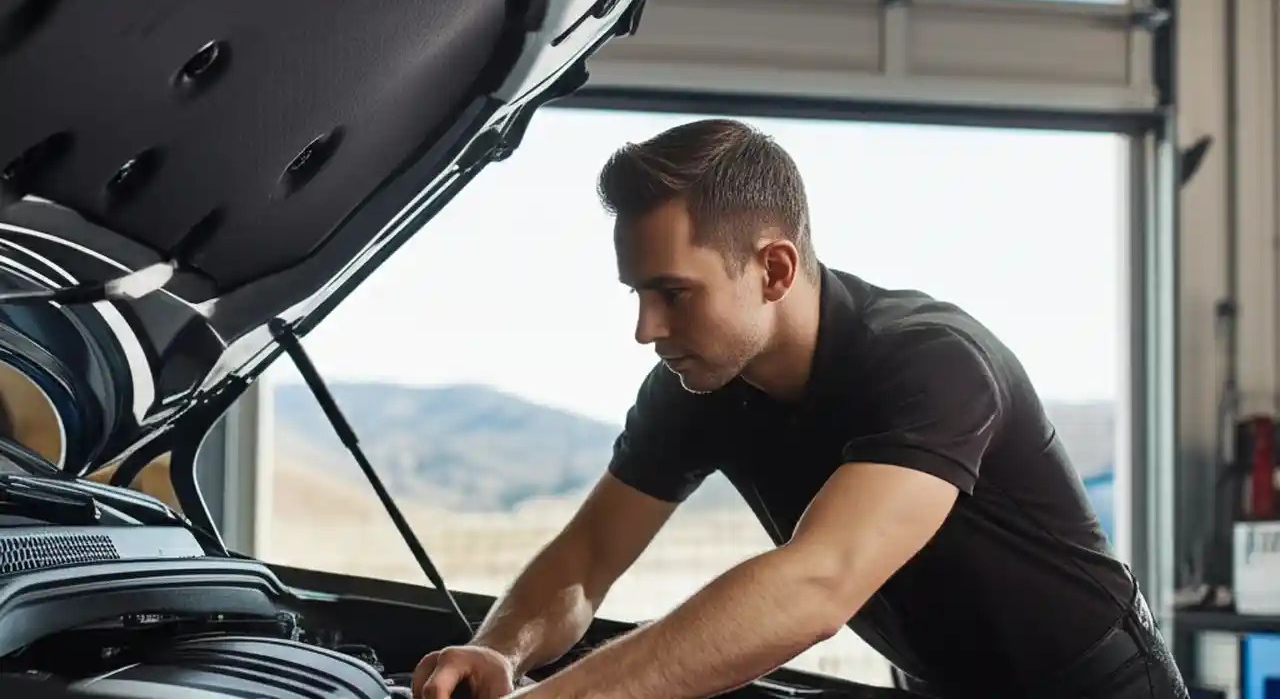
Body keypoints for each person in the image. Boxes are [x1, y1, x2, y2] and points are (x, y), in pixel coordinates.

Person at [411, 119, 1188, 699]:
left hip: (1096, 683)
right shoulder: (696, 386)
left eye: (673, 293)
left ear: (774, 267)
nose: (646, 329)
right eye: (638, 295)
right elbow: (586, 560)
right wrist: (502, 650)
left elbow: (816, 584)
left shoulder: (932, 361)